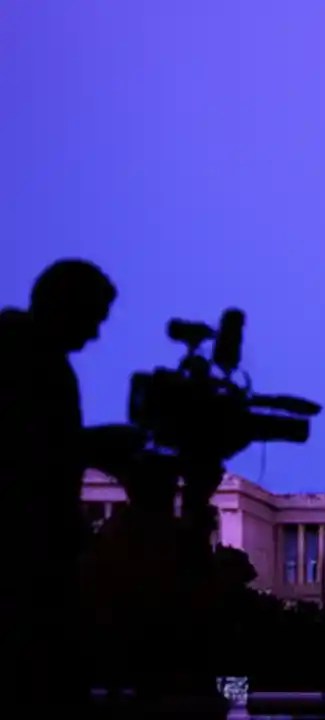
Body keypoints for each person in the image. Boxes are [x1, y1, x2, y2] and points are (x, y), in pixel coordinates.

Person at [0, 259, 116, 713]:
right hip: (24, 563)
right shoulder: (24, 355)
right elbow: (23, 449)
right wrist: (92, 444)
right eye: (93, 319)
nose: (94, 336)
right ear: (66, 306)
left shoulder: (36, 356)